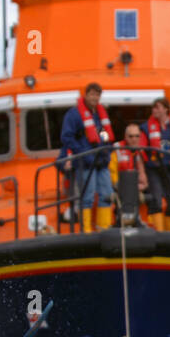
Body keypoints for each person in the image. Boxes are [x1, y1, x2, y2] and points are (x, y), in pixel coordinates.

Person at [59, 83, 116, 232]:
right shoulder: (74, 114)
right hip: (84, 163)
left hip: (101, 162)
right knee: (87, 197)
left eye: (97, 95)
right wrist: (83, 153)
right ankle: (86, 231)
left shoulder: (99, 115)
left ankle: (103, 227)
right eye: (92, 94)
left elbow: (104, 134)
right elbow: (67, 137)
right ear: (86, 95)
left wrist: (107, 150)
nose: (95, 97)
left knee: (107, 194)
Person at [144, 98, 170, 231]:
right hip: (155, 167)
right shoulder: (146, 127)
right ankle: (161, 231)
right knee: (157, 198)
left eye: (157, 107)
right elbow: (142, 148)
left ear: (166, 109)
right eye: (153, 107)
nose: (154, 110)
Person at [110, 123, 150, 225]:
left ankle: (136, 220)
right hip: (117, 187)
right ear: (125, 137)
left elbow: (144, 181)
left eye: (137, 136)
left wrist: (135, 187)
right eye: (131, 136)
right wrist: (120, 186)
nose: (134, 139)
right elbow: (111, 172)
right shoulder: (116, 148)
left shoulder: (139, 152)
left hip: (133, 189)